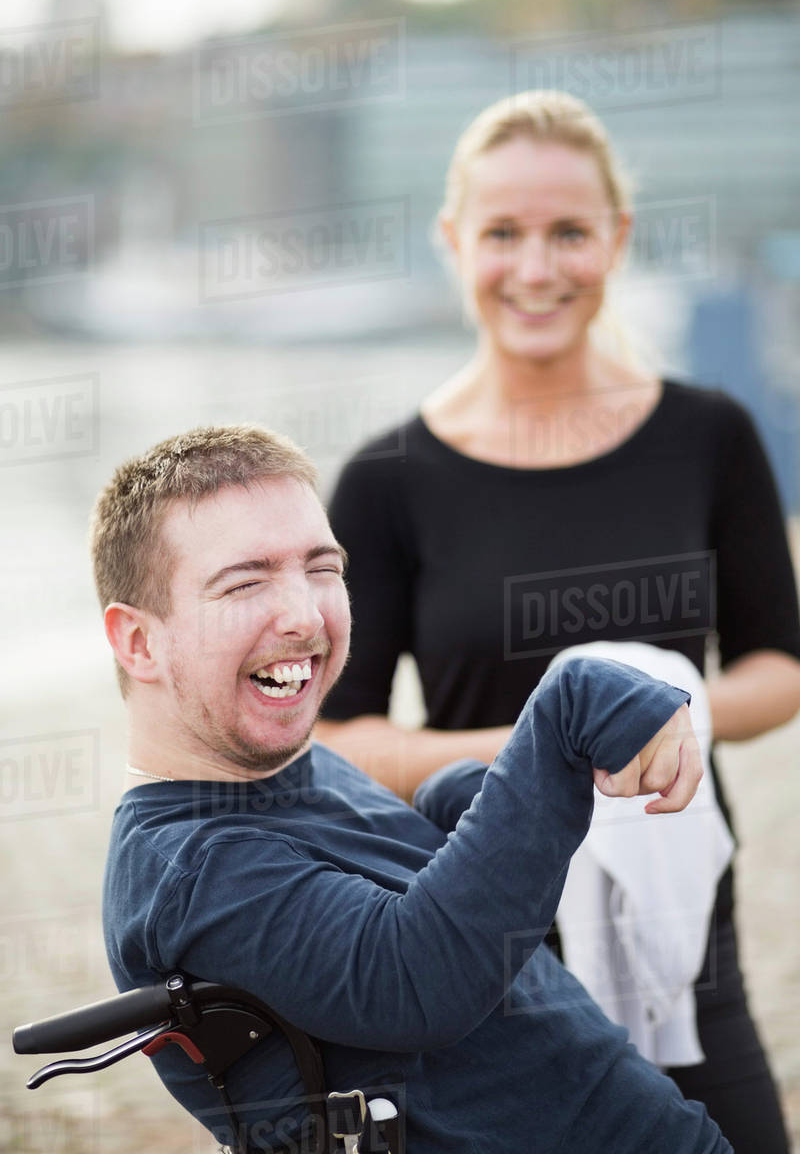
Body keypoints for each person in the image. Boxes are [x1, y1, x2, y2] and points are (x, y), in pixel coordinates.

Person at [316, 90, 800, 1150]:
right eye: (501, 233)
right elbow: (340, 737)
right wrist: (557, 742)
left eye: (567, 232)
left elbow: (779, 668)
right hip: (487, 961)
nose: (535, 269)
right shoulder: (386, 480)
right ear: (453, 242)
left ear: (616, 240)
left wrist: (659, 710)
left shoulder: (707, 435)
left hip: (685, 949)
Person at [96, 423, 730, 1154]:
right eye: (246, 582)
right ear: (139, 642)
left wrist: (462, 803)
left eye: (321, 568)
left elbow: (420, 887)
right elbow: (415, 981)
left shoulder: (283, 764)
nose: (304, 615)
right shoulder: (192, 867)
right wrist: (571, 703)